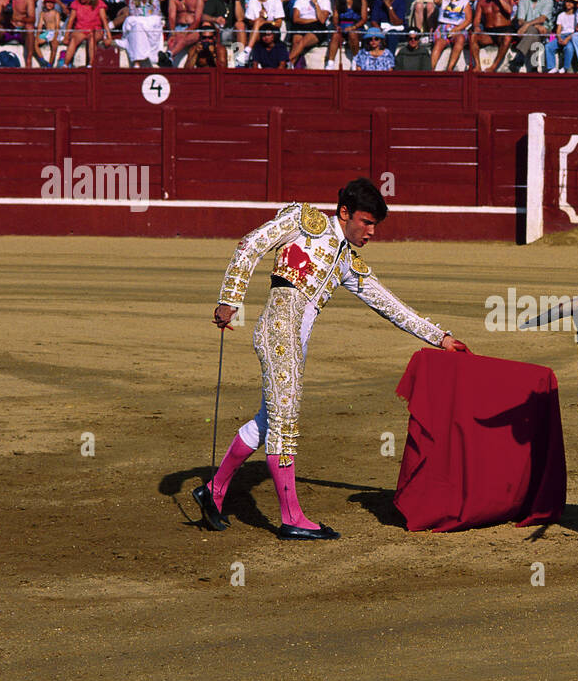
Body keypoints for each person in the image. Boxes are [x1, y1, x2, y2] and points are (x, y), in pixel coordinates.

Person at [196, 181, 468, 540]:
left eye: (374, 225)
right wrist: (231, 299)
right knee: (284, 424)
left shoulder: (346, 260)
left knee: (269, 420)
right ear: (344, 213)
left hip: (294, 340)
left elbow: (389, 304)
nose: (370, 232)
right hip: (280, 331)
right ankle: (291, 517)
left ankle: (212, 491)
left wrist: (441, 337)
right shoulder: (304, 220)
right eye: (366, 222)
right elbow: (251, 244)